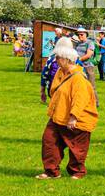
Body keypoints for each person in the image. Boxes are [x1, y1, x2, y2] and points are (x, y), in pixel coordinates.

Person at [36, 43, 98, 179]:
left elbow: (80, 99)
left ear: (68, 60)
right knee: (49, 141)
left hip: (77, 118)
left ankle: (77, 171)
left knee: (77, 147)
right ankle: (51, 171)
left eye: (58, 58)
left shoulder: (78, 78)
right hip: (57, 116)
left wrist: (73, 116)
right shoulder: (60, 72)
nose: (56, 60)